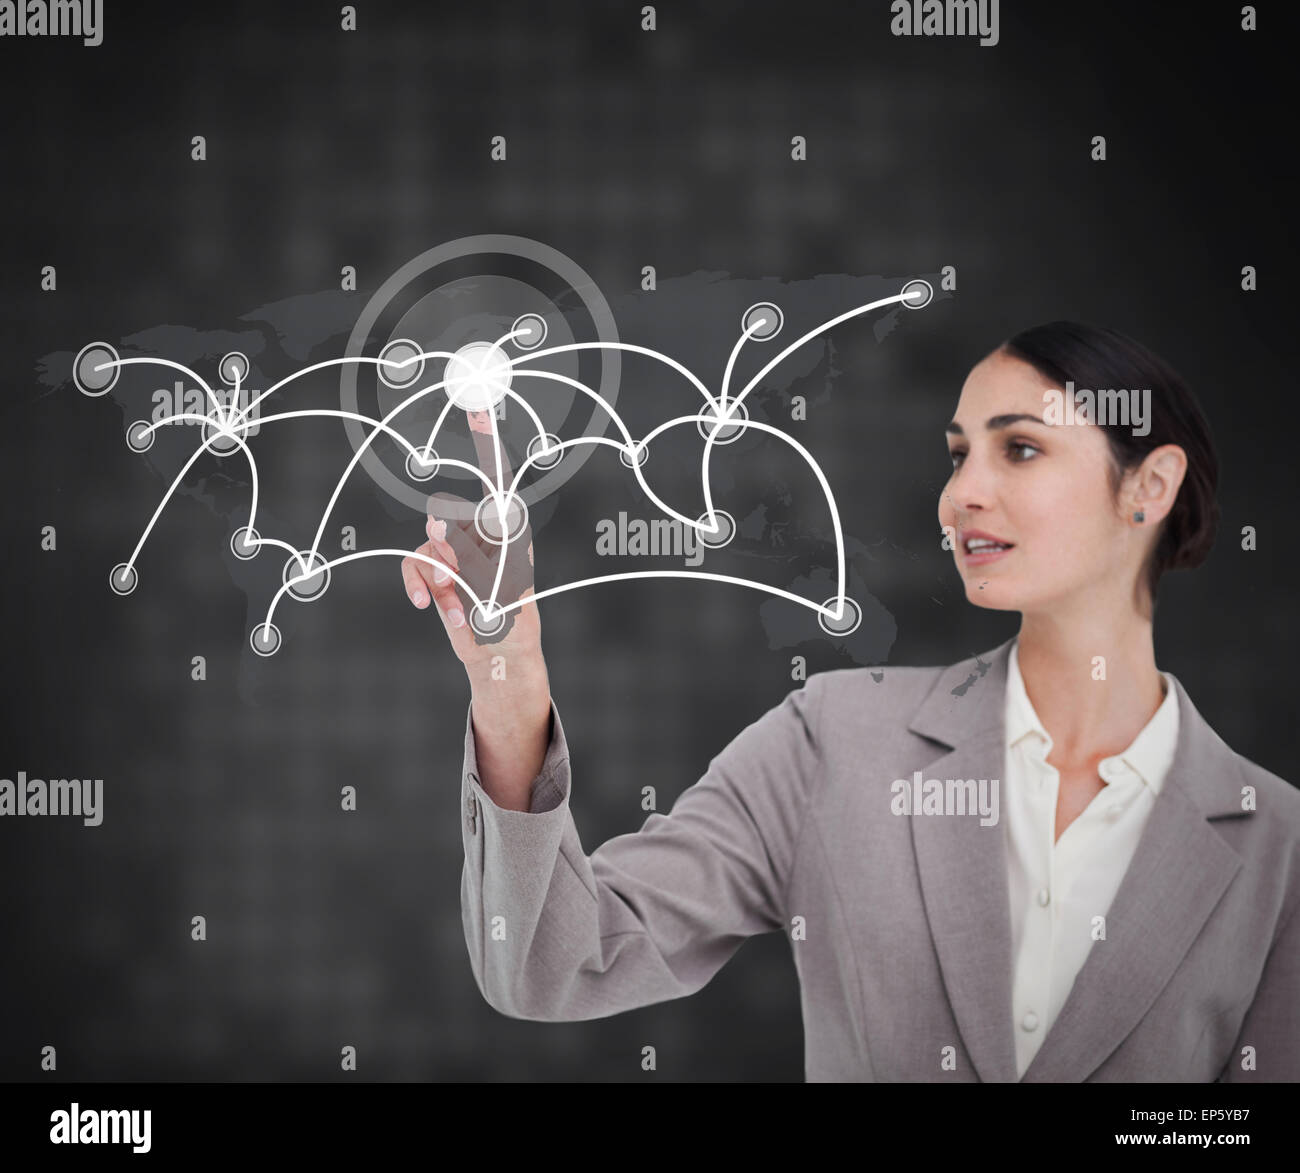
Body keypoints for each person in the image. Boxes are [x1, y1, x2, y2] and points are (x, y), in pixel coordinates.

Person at [400, 321, 1300, 1082]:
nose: (960, 495)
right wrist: (508, 681)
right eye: (958, 456)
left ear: (1149, 486)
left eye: (1019, 448)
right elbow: (553, 965)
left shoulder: (1279, 845)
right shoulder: (833, 739)